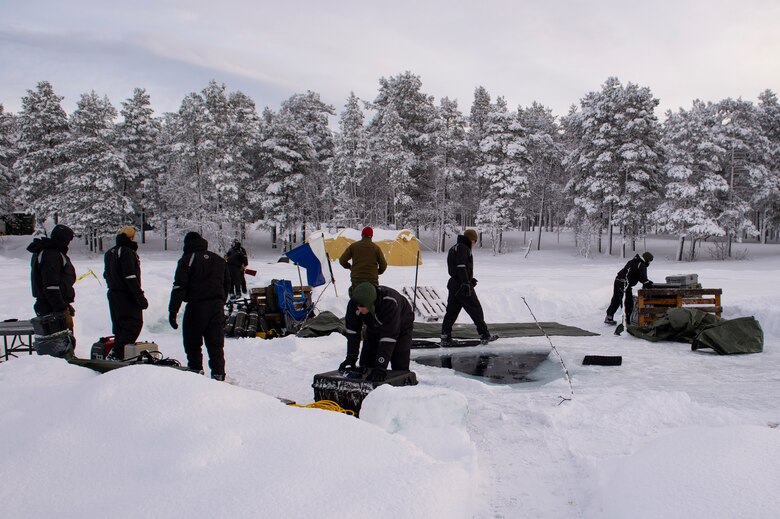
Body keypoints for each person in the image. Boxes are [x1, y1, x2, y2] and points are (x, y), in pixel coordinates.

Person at [168, 231, 232, 380]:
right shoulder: (218, 259)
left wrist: (173, 311)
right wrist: (221, 300)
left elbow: (179, 287)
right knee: (215, 343)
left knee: (192, 342)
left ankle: (196, 372)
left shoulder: (187, 259)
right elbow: (227, 283)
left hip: (196, 306)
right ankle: (218, 374)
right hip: (216, 306)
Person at [339, 282, 414, 382]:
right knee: (366, 362)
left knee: (399, 364)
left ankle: (401, 386)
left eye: (362, 306)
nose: (359, 309)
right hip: (373, 326)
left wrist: (381, 367)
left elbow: (389, 337)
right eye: (357, 306)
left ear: (371, 304)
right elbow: (353, 332)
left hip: (401, 325)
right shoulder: (354, 303)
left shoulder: (390, 302)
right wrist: (351, 356)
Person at [441, 229, 498, 346]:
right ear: (472, 240)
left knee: (451, 312)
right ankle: (484, 335)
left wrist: (469, 279)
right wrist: (466, 282)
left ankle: (445, 337)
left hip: (454, 285)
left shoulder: (455, 247)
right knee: (475, 309)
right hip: (462, 286)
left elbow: (456, 268)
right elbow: (461, 266)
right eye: (475, 241)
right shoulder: (463, 247)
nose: (475, 244)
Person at [103, 226, 148, 360]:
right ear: (131, 237)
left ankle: (118, 353)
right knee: (133, 325)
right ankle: (117, 353)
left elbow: (106, 274)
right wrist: (139, 295)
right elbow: (130, 276)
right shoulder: (127, 252)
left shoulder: (110, 252)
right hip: (126, 294)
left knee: (120, 327)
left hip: (113, 293)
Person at [27, 223, 77, 333]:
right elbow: (51, 286)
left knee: (62, 340)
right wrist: (61, 309)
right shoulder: (51, 254)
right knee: (59, 341)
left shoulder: (48, 251)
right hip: (51, 308)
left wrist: (65, 304)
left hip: (52, 304)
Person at [604, 252, 654, 325]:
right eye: (649, 261)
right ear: (647, 260)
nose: (649, 263)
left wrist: (646, 282)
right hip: (624, 283)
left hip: (618, 280)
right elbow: (643, 278)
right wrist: (649, 284)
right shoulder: (641, 265)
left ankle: (609, 316)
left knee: (616, 299)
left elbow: (637, 276)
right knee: (627, 301)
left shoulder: (633, 261)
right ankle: (627, 322)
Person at [339, 226, 387, 295]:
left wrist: (350, 267)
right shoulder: (376, 248)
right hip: (372, 280)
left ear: (362, 235)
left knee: (356, 296)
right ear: (371, 236)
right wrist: (376, 272)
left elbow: (342, 261)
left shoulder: (353, 246)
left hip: (357, 279)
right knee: (371, 297)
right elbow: (383, 265)